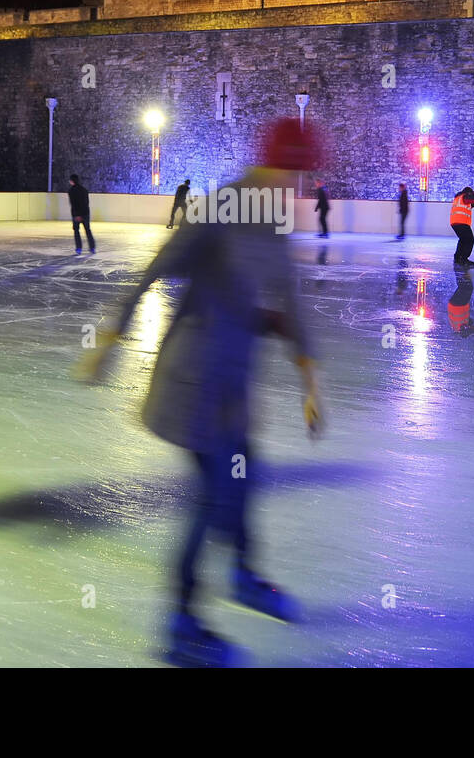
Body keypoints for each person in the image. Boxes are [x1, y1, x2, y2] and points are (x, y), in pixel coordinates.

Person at [78, 117, 324, 667]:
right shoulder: (221, 209)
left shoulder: (275, 224)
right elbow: (153, 270)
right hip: (192, 382)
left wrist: (310, 379)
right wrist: (109, 342)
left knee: (244, 475)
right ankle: (180, 624)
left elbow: (287, 301)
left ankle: (241, 575)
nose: (296, 187)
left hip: (231, 383)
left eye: (301, 177)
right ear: (265, 166)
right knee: (213, 496)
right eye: (290, 173)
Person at [450, 186, 474, 268]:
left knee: (463, 240)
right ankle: (464, 259)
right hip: (462, 222)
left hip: (455, 223)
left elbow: (472, 203)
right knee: (469, 240)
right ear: (468, 193)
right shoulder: (465, 196)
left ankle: (457, 258)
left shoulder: (459, 198)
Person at [68, 174, 95, 253]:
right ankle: (92, 247)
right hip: (86, 213)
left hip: (77, 214)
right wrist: (83, 213)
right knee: (87, 230)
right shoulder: (84, 190)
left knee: (76, 230)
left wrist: (78, 215)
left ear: (72, 181)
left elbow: (74, 203)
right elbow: (86, 203)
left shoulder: (71, 191)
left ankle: (79, 248)